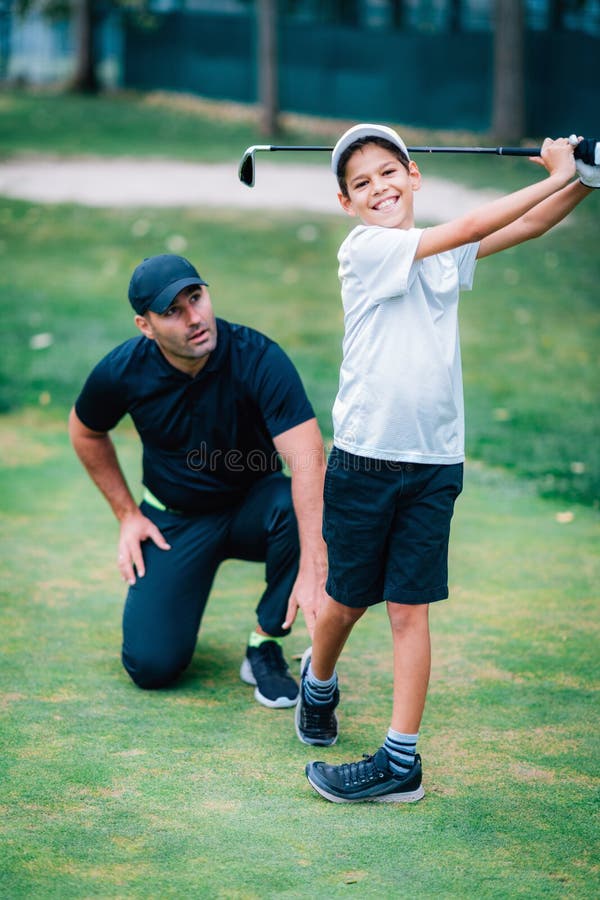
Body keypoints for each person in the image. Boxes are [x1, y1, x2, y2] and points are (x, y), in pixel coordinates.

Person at [295, 123, 599, 802]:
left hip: (434, 463)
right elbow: (469, 225)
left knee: (410, 609)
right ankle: (318, 685)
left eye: (388, 172)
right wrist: (555, 172)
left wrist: (582, 177)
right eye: (361, 183)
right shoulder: (367, 249)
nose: (378, 188)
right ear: (346, 204)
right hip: (366, 460)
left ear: (414, 176)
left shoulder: (438, 253)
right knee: (346, 601)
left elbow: (529, 227)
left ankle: (400, 762)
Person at [69, 253, 328, 707]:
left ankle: (264, 641)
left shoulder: (257, 356)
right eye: (173, 311)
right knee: (151, 667)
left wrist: (313, 562)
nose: (194, 317)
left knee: (300, 505)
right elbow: (85, 430)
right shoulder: (124, 370)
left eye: (196, 297)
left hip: (255, 509)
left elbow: (308, 459)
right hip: (175, 523)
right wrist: (127, 515)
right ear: (145, 326)